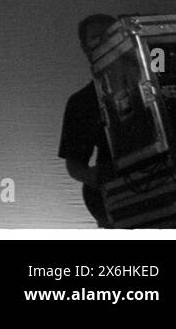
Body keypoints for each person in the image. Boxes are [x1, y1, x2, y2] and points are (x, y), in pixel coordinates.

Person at [58, 13, 117, 226]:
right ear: (85, 48)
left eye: (111, 35)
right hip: (116, 197)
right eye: (96, 38)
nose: (105, 43)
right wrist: (101, 180)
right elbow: (75, 164)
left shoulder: (153, 78)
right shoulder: (82, 102)